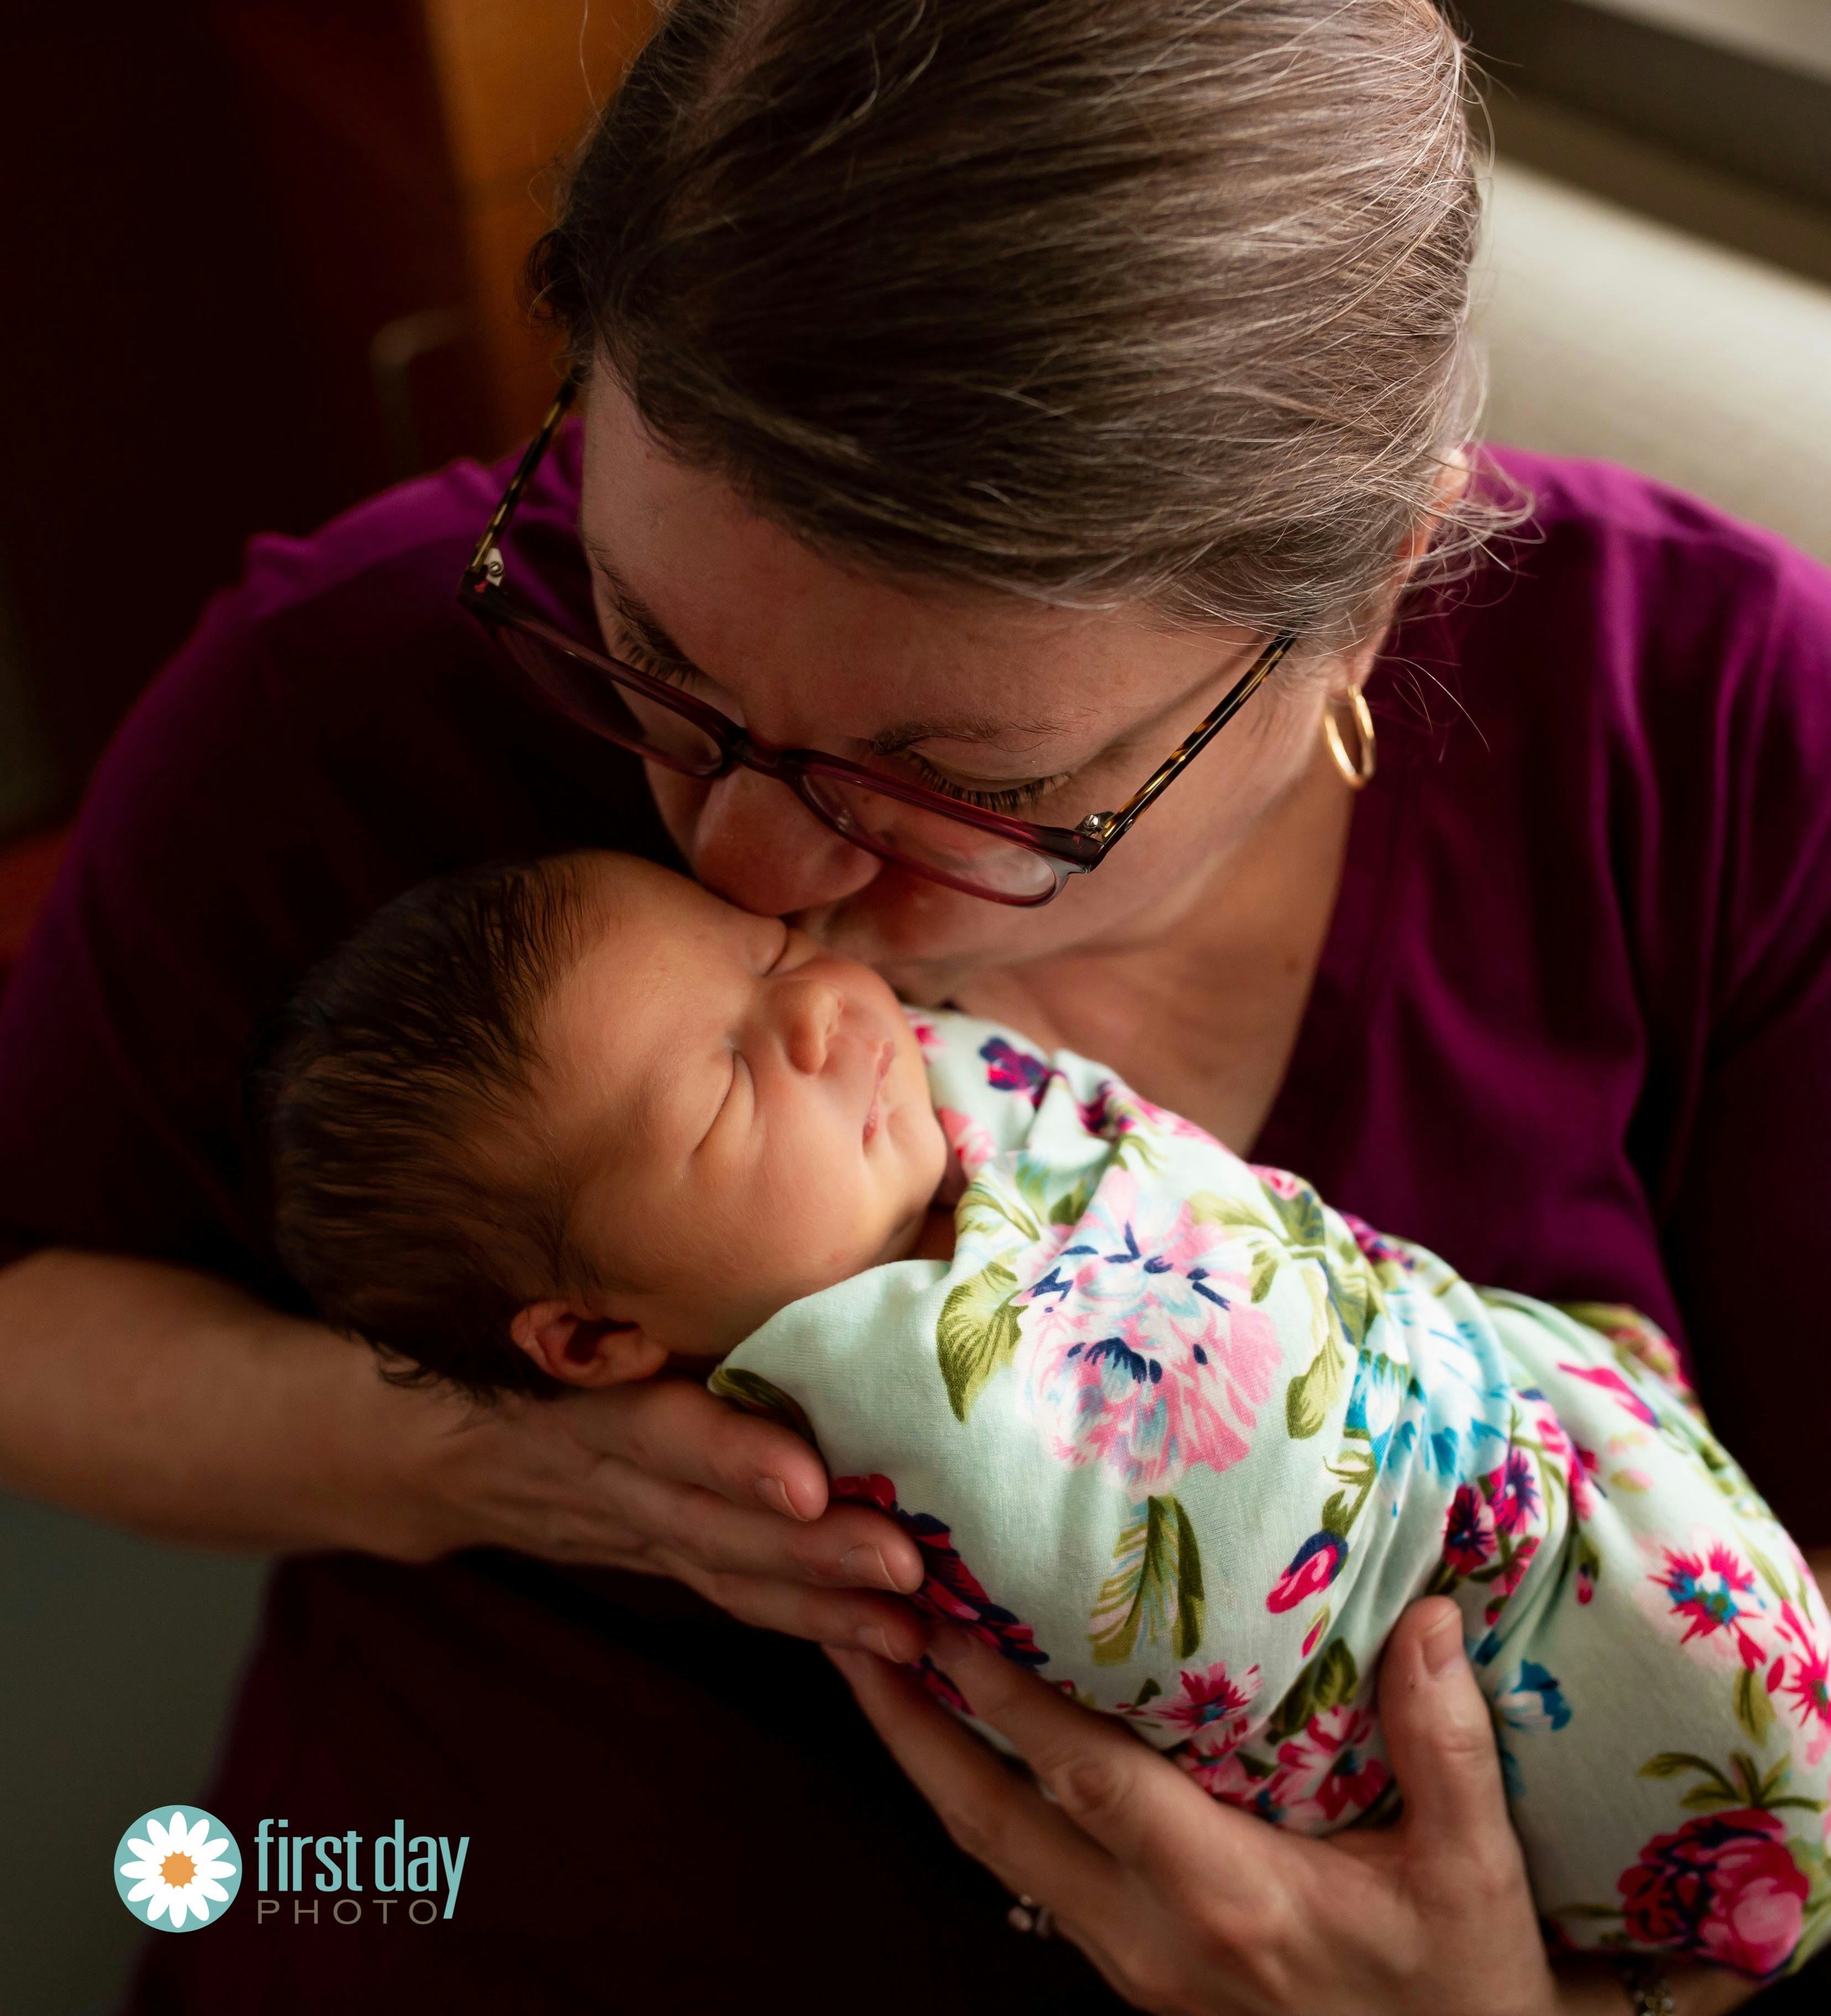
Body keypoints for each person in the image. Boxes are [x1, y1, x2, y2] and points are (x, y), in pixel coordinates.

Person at [0, 1, 1827, 2009]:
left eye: (971, 785)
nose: (750, 886)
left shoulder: (1717, 739)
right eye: (649, 653)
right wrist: (488, 1464)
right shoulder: (351, 698)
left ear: (1372, 594)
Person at [252, 843, 1831, 1984]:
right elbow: (1169, 1582)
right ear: (592, 1339)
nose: (822, 1015)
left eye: (765, 954)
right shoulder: (887, 1413)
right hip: (1415, 1618)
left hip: (1521, 1421)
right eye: (730, 1084)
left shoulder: (911, 1124)